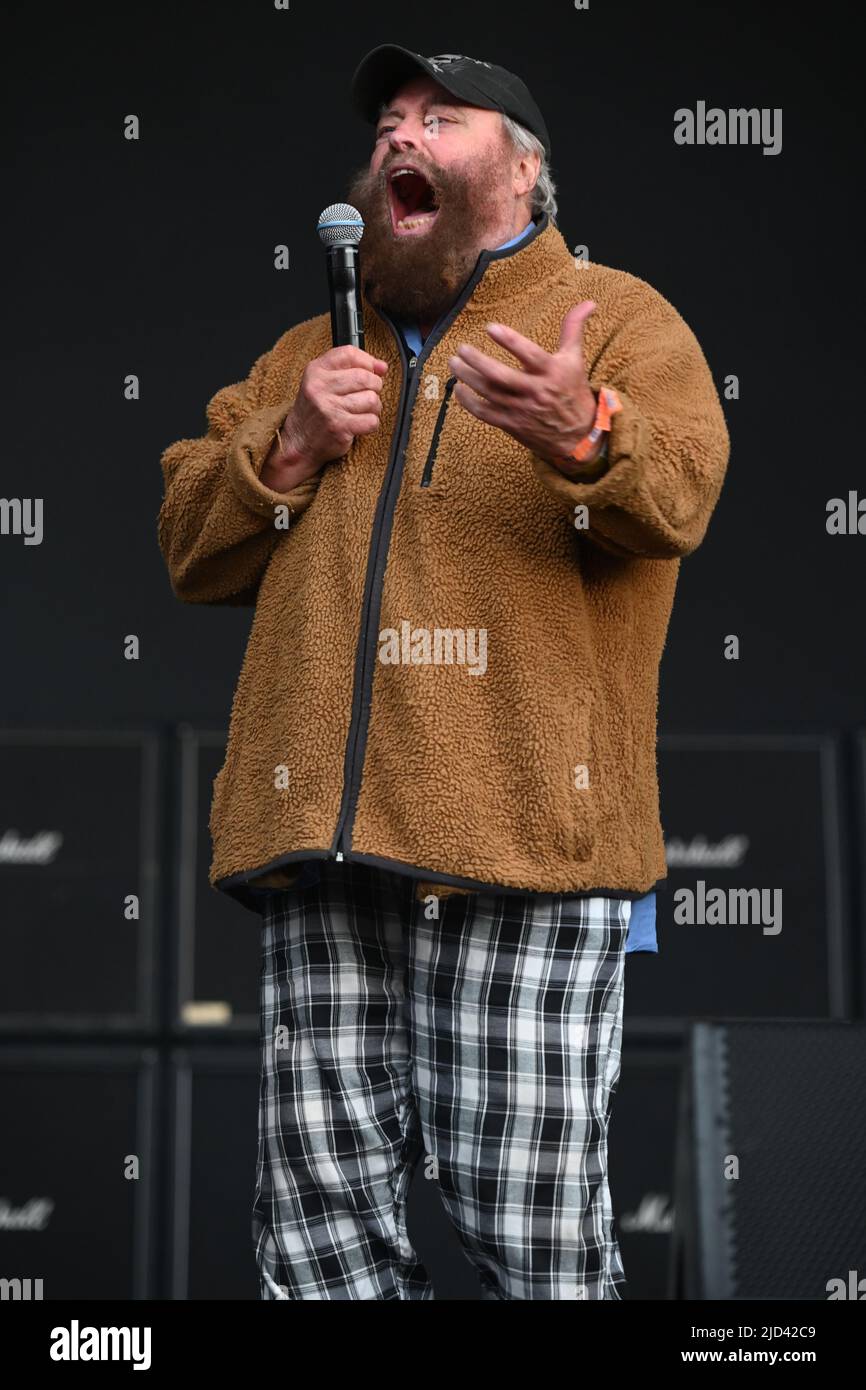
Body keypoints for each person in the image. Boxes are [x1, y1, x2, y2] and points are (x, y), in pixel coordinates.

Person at [157, 45, 729, 1299]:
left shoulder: (618, 318)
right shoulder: (304, 348)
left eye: (440, 118)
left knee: (531, 1243)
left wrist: (587, 433)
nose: (397, 138)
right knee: (315, 1251)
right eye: (387, 124)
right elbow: (189, 547)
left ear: (521, 171)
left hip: (523, 848)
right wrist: (285, 443)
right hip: (321, 847)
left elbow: (680, 490)